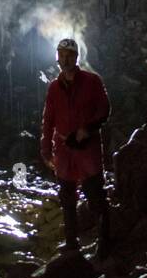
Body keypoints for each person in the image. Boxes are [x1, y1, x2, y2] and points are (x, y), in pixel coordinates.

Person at [40, 38, 113, 259]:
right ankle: (72, 243)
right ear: (57, 57)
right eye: (62, 55)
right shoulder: (54, 88)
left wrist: (87, 129)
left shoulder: (92, 81)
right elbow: (48, 120)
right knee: (67, 197)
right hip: (64, 149)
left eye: (69, 55)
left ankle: (105, 241)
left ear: (76, 57)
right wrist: (46, 150)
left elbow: (104, 109)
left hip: (87, 147)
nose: (65, 60)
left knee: (95, 195)